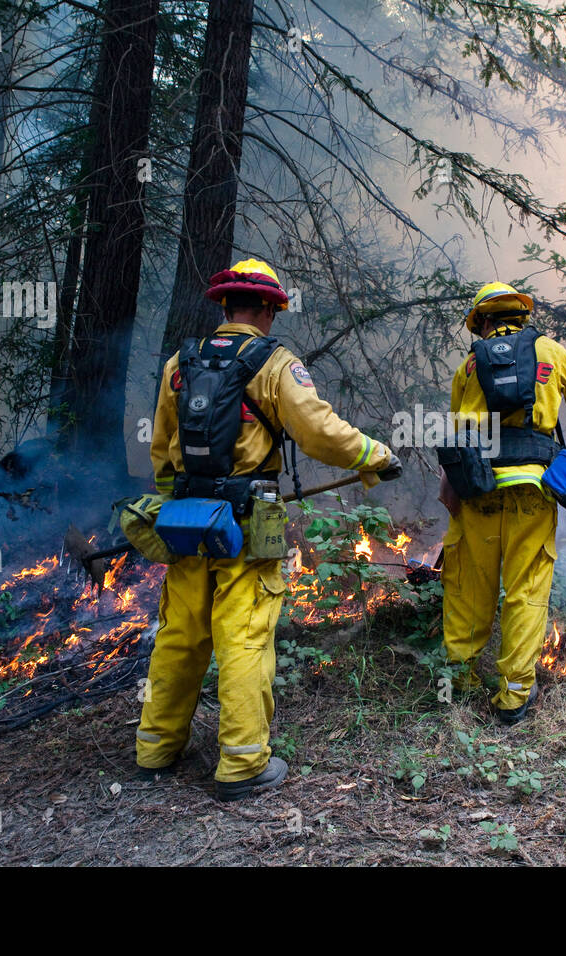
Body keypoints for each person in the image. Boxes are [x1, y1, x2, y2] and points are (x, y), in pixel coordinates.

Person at [136, 258, 400, 799]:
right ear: (269, 310)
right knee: (245, 637)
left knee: (180, 635)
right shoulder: (274, 362)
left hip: (186, 522)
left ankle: (156, 750)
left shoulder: (178, 363)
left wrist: (175, 509)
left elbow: (162, 448)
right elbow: (319, 432)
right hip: (251, 523)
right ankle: (241, 765)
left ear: (225, 306)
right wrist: (374, 453)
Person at [439, 282, 566, 724]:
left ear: (482, 322)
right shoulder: (548, 349)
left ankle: (461, 678)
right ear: (521, 316)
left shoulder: (470, 364)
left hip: (480, 488)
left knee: (471, 582)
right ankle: (513, 695)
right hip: (533, 489)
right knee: (525, 586)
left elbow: (457, 432)